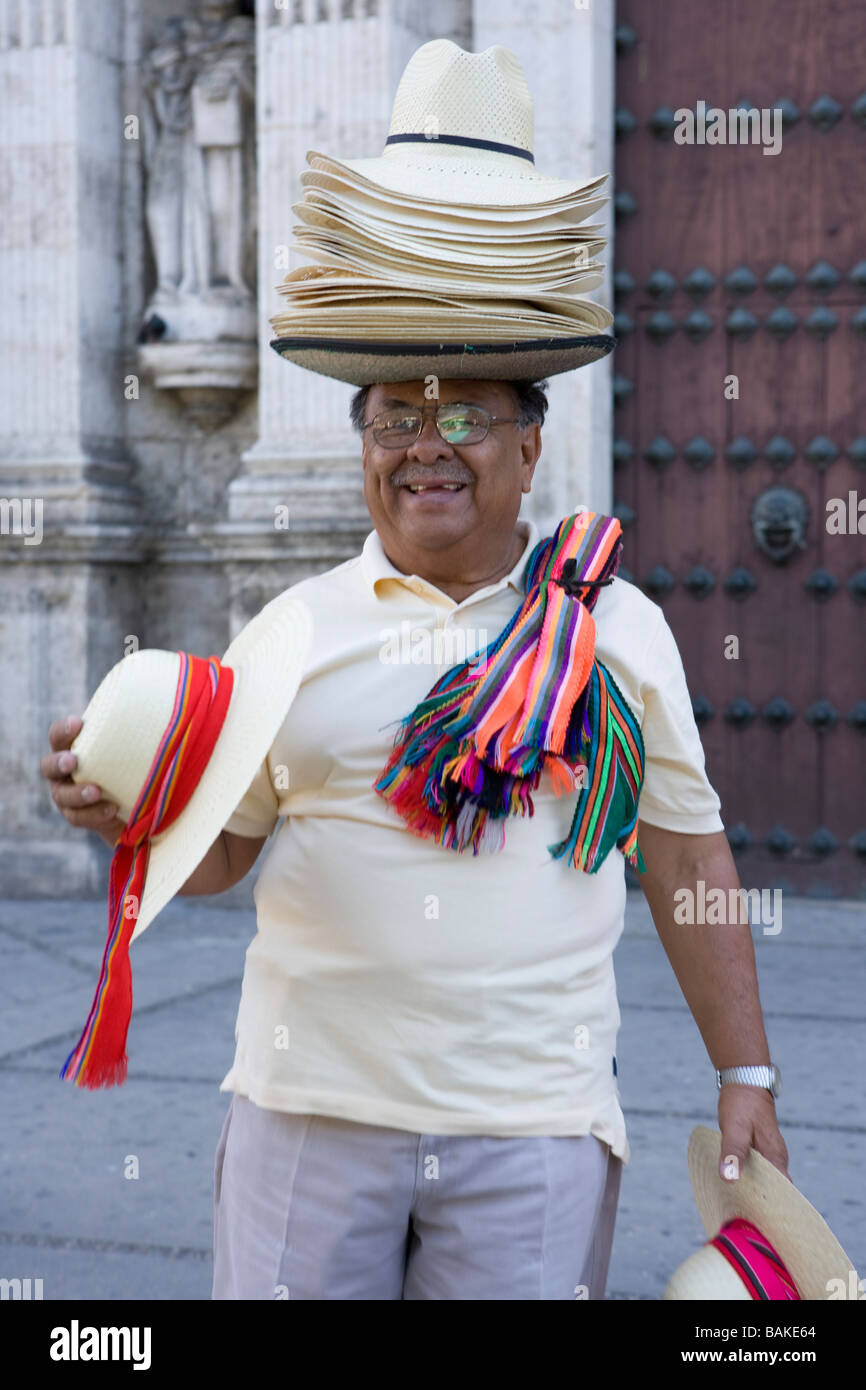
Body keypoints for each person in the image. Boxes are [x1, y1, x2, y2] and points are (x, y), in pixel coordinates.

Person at [41, 373, 789, 1300]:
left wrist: (745, 1072)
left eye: (466, 418)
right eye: (396, 419)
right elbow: (227, 848)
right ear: (365, 450)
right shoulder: (292, 632)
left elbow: (685, 855)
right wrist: (137, 817)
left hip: (535, 1121)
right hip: (307, 1111)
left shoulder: (619, 628)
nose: (425, 446)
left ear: (530, 449)